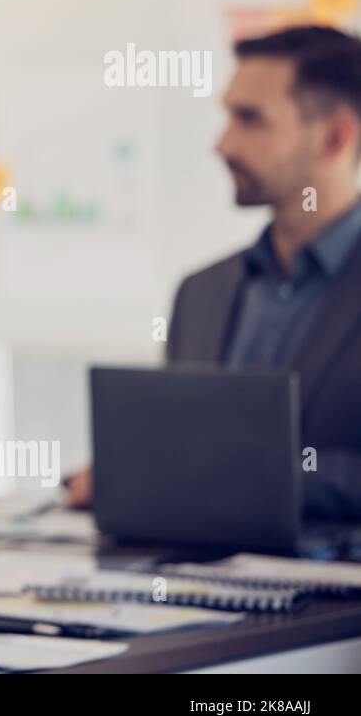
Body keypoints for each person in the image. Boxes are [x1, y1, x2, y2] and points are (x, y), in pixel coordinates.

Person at [67, 26, 361, 520]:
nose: (222, 145)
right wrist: (132, 471)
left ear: (334, 138)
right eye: (228, 117)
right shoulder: (202, 293)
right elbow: (181, 447)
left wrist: (216, 475)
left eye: (250, 120)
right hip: (191, 581)